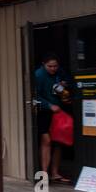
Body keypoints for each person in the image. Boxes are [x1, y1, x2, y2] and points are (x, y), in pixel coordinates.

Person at [33, 52, 70, 184]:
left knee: (58, 142)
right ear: (44, 65)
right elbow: (33, 95)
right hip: (44, 111)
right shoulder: (38, 75)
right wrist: (48, 105)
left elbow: (68, 80)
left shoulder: (60, 71)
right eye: (50, 66)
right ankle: (44, 173)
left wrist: (64, 84)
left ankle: (55, 173)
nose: (53, 69)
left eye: (55, 66)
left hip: (59, 111)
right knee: (46, 141)